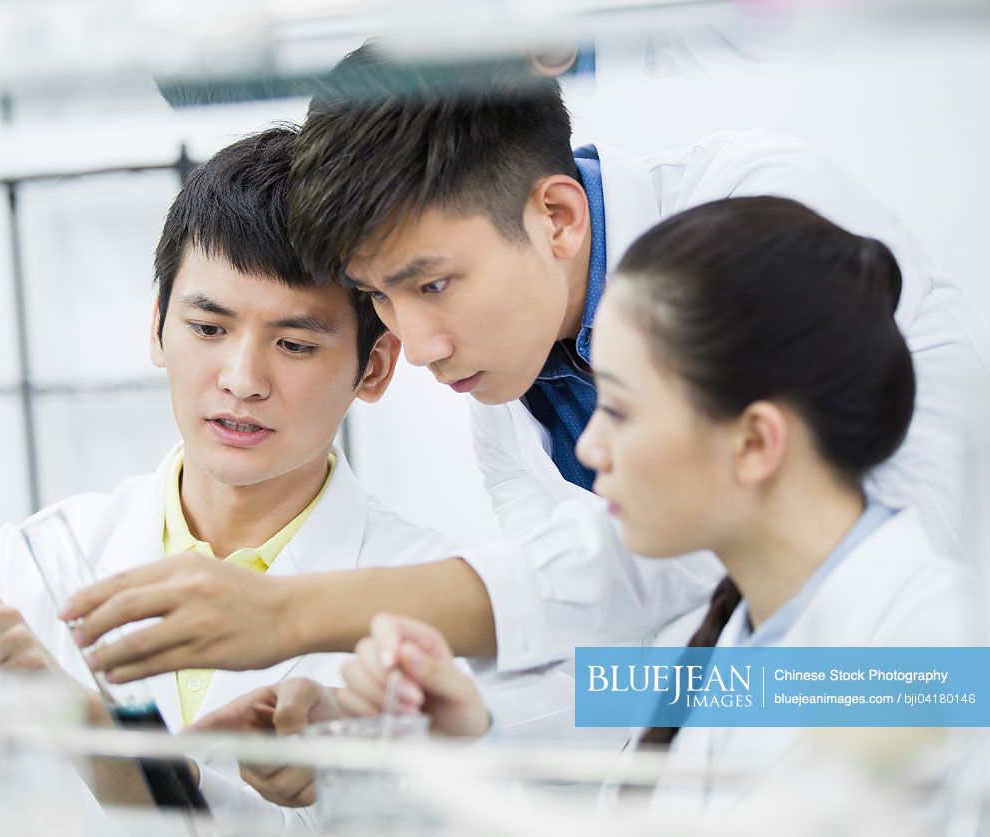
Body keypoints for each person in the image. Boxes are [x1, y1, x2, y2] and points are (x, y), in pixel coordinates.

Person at [60, 41, 988, 692]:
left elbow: (896, 670)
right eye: (380, 296)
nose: (416, 345)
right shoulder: (510, 393)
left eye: (432, 284)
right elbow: (609, 647)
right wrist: (414, 723)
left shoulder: (764, 218)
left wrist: (300, 614)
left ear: (556, 218)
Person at [0, 126, 464, 830]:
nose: (241, 380)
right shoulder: (30, 563)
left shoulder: (429, 598)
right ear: (157, 325)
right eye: (208, 329)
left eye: (293, 344)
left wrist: (88, 728)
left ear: (373, 368)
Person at [333, 196, 973, 807]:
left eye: (619, 408)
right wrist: (473, 733)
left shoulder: (936, 653)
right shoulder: (723, 644)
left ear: (755, 441)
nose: (588, 449)